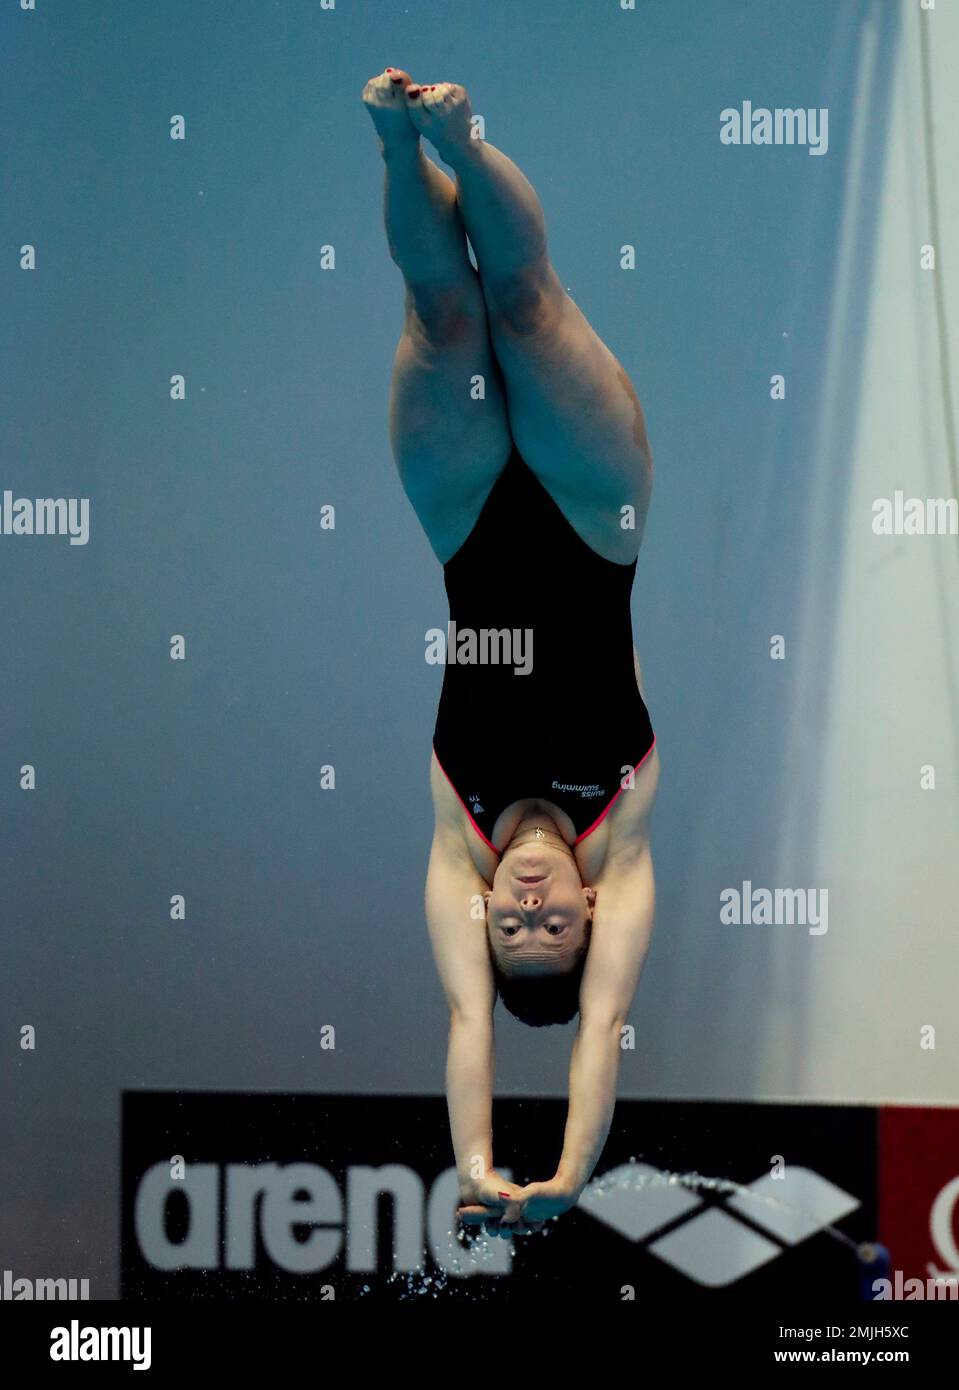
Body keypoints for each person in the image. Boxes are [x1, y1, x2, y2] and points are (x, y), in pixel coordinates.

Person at [362, 70, 660, 1238]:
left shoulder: (460, 844)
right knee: (525, 303)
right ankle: (464, 138)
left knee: (441, 313)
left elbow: (465, 1020)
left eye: (511, 931)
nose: (530, 914)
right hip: (596, 511)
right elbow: (601, 1025)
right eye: (556, 931)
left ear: (482, 909)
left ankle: (397, 148)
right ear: (592, 907)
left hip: (466, 519)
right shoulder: (618, 837)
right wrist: (570, 1174)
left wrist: (477, 1164)